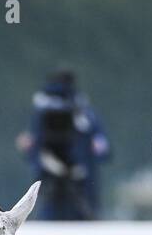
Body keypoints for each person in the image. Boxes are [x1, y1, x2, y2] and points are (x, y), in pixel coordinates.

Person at [17, 69, 111, 221]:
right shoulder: (84, 112)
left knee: (50, 220)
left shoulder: (42, 113)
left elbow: (33, 148)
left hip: (50, 178)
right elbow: (103, 149)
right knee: (83, 223)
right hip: (80, 180)